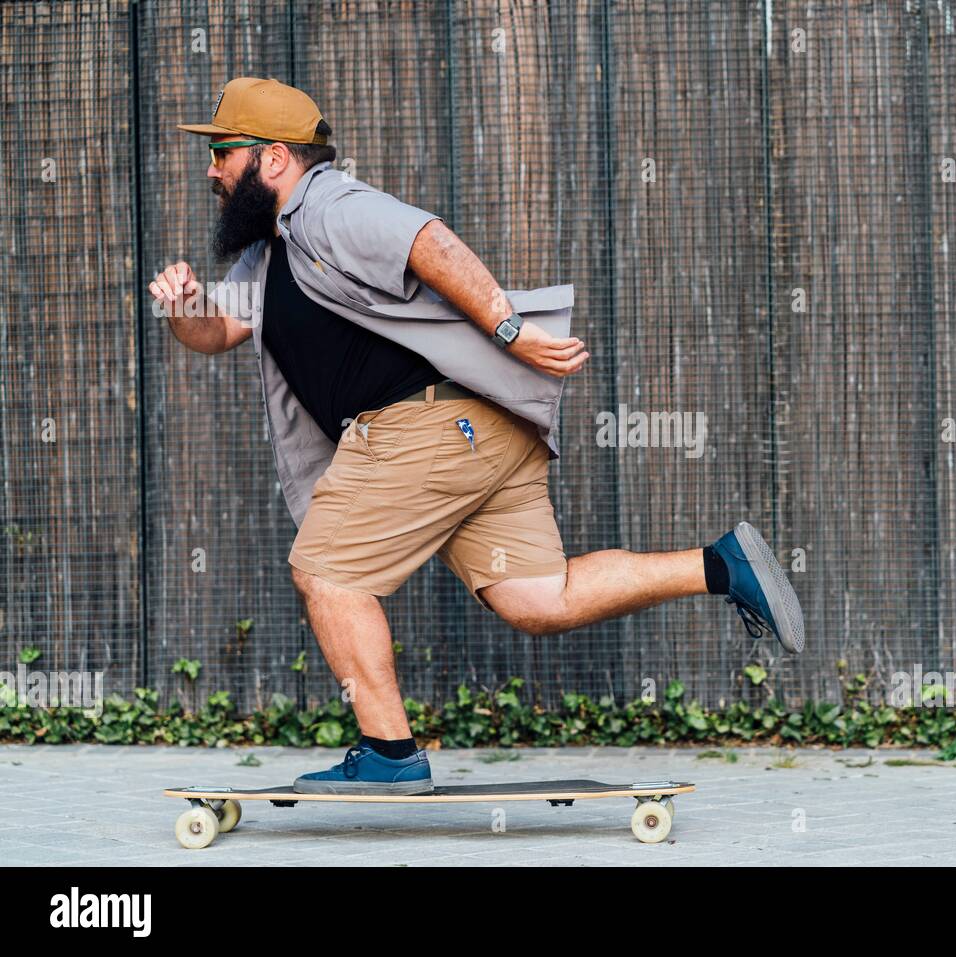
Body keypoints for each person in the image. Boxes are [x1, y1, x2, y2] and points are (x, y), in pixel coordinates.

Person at [154, 77, 805, 795]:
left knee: (326, 570)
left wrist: (509, 327)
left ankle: (389, 753)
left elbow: (426, 239)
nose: (211, 167)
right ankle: (722, 564)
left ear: (273, 158)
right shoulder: (270, 251)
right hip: (480, 431)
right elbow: (218, 330)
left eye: (223, 151)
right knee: (537, 596)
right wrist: (185, 309)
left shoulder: (330, 208)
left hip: (424, 423)